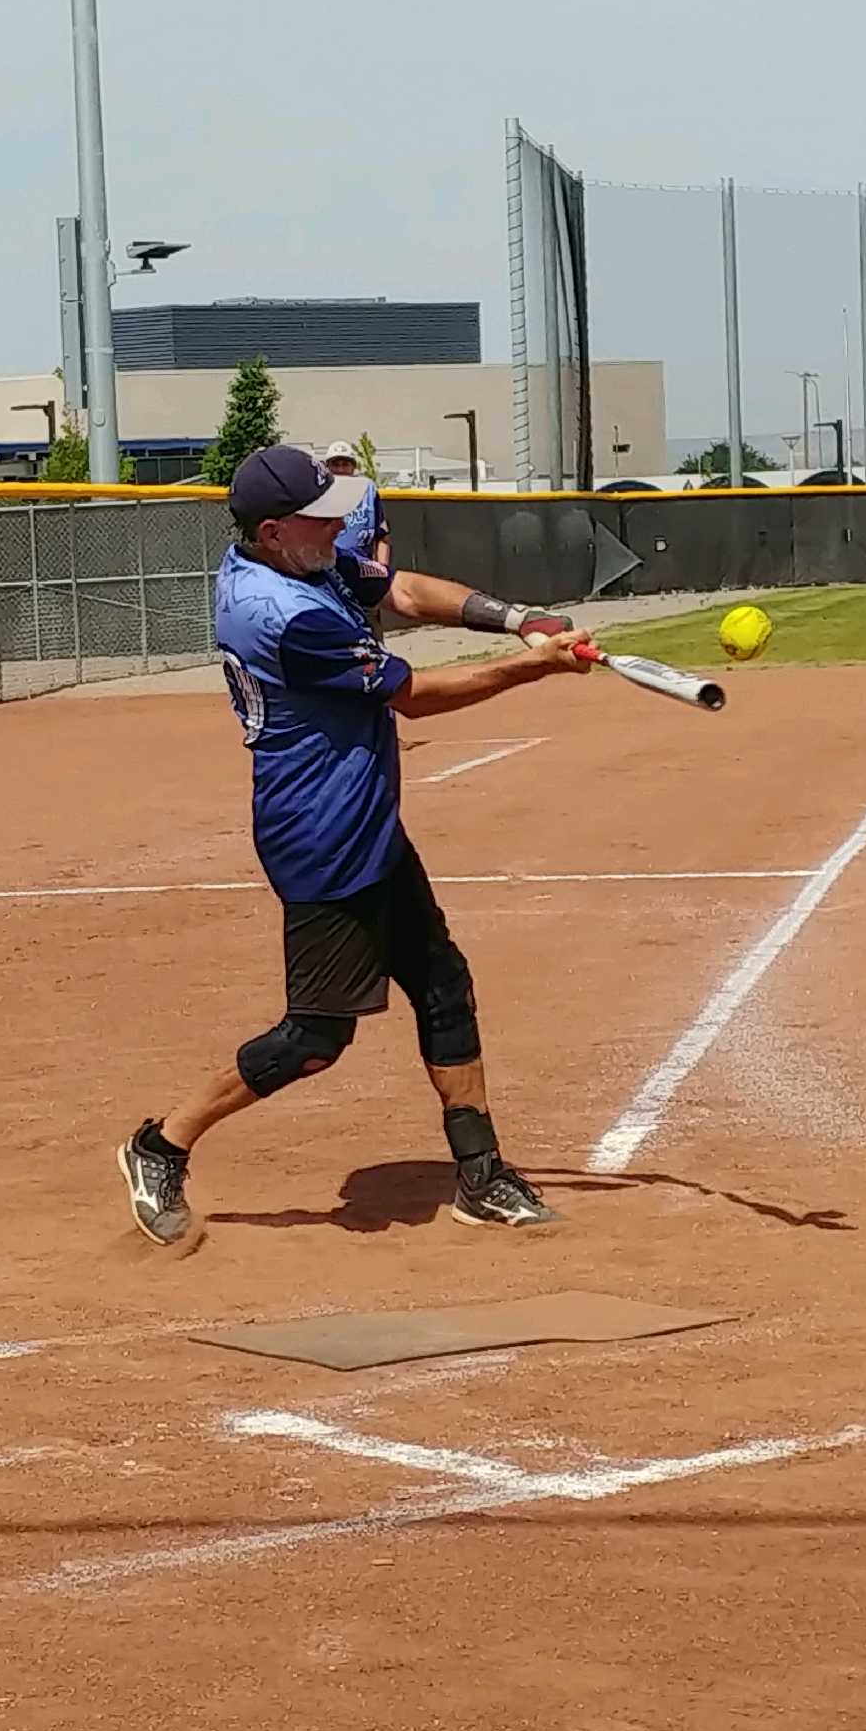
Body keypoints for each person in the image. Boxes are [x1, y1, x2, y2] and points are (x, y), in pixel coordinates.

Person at [115, 445, 589, 1244]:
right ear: (272, 532)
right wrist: (531, 668)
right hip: (320, 836)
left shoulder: (311, 564)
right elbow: (414, 697)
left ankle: (481, 1175)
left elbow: (401, 588)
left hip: (368, 824)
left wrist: (516, 618)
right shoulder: (284, 616)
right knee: (315, 1038)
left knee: (443, 985)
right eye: (320, 515)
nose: (340, 526)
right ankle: (160, 1144)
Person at [322, 440, 390, 568]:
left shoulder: (368, 491)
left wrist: (383, 570)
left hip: (363, 569)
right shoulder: (319, 494)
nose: (340, 469)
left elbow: (382, 537)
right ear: (327, 468)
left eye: (345, 464)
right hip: (329, 570)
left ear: (353, 468)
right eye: (335, 464)